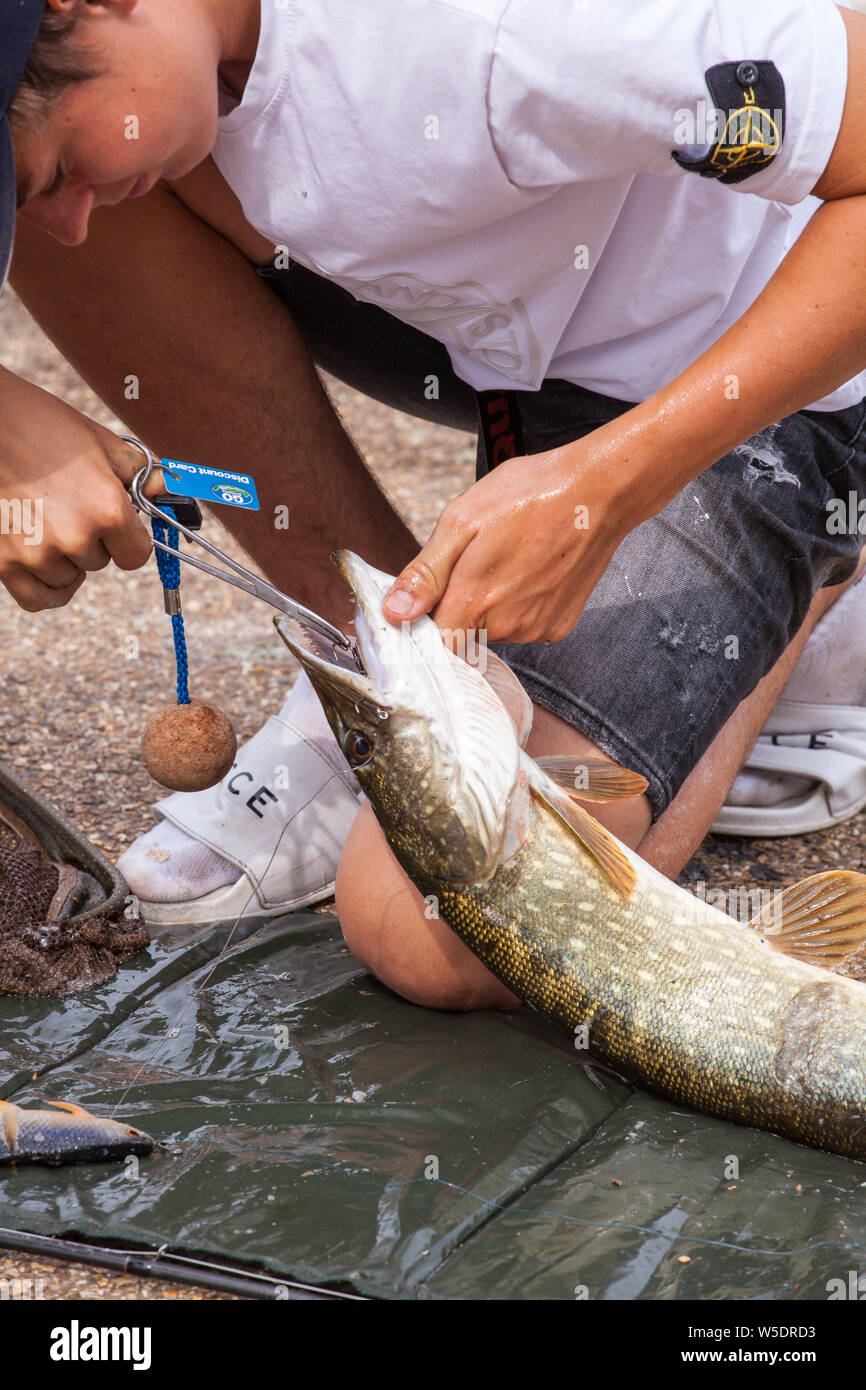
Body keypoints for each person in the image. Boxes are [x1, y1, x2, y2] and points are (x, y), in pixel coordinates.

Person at [4, 0, 866, 1011]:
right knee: (91, 214)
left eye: (50, 173)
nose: (56, 216)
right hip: (518, 333)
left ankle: (815, 565)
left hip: (765, 368)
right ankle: (387, 661)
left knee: (435, 934)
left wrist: (604, 488)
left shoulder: (495, 28)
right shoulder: (146, 73)